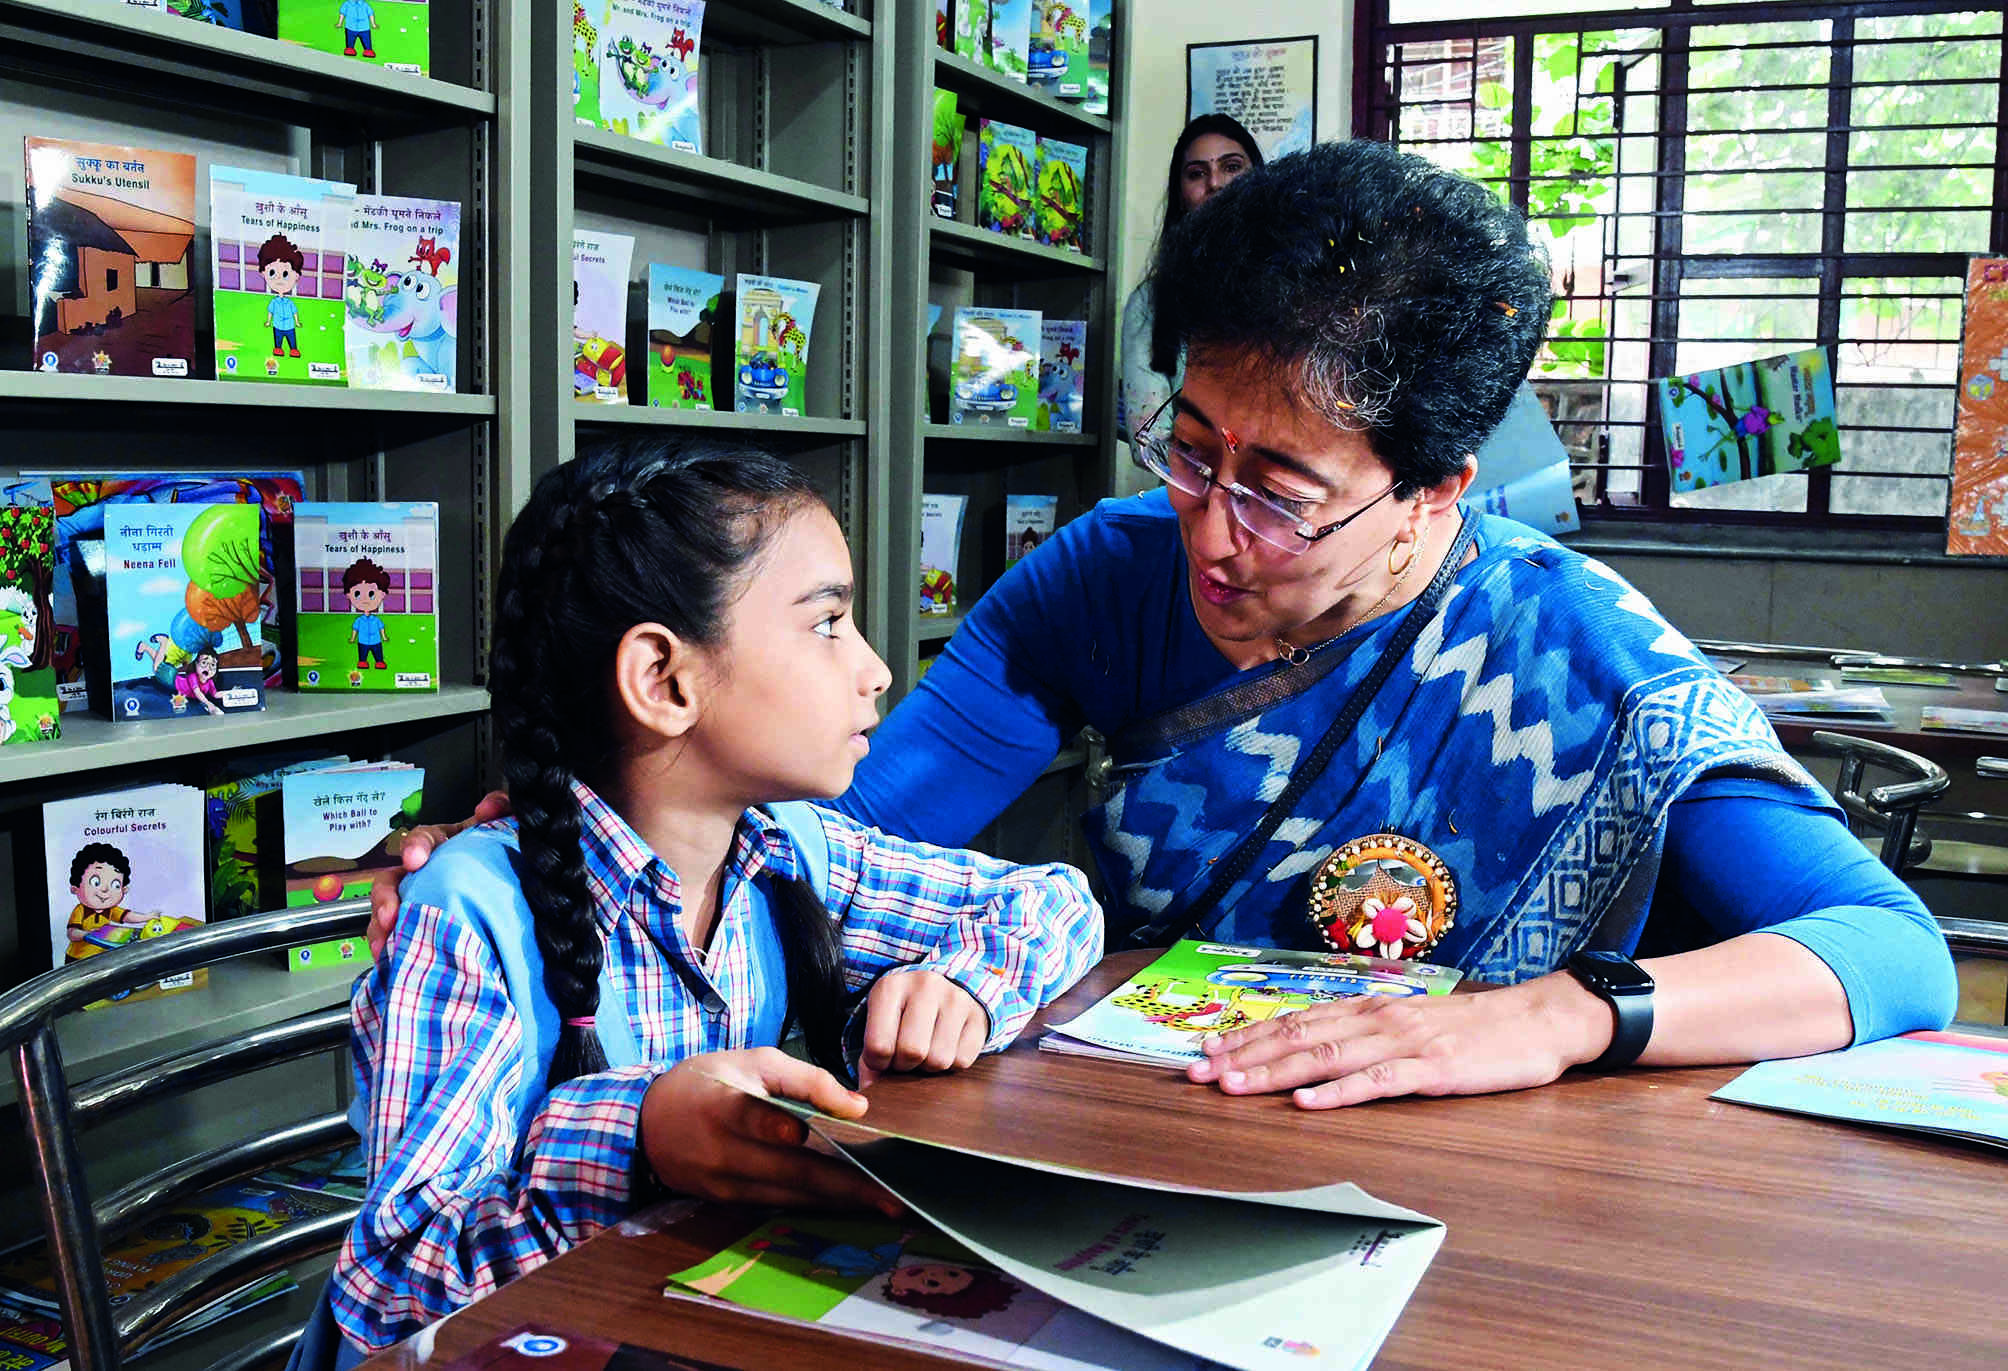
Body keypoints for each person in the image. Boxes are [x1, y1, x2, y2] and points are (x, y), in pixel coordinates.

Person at [380, 141, 1954, 1117]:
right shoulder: (1109, 573)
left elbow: (1889, 953)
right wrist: (572, 826)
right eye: (1189, 444)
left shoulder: (1573, 651)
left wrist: (1546, 1018)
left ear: (1435, 492)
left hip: (1452, 1170)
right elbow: (836, 825)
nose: (1207, 528)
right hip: (1130, 1142)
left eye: (1278, 489)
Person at [321, 439, 1101, 1364]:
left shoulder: (792, 849)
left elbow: (1054, 902)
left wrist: (966, 985)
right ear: (665, 678)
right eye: (827, 623)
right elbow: (387, 1287)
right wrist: (638, 1137)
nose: (877, 668)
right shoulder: (474, 910)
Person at [1119, 114, 1262, 440]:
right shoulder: (1150, 304)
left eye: (1232, 167)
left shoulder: (1297, 286)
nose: (1215, 184)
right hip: (1188, 486)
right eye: (1197, 174)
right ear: (1181, 195)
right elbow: (1150, 440)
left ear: (1258, 178)